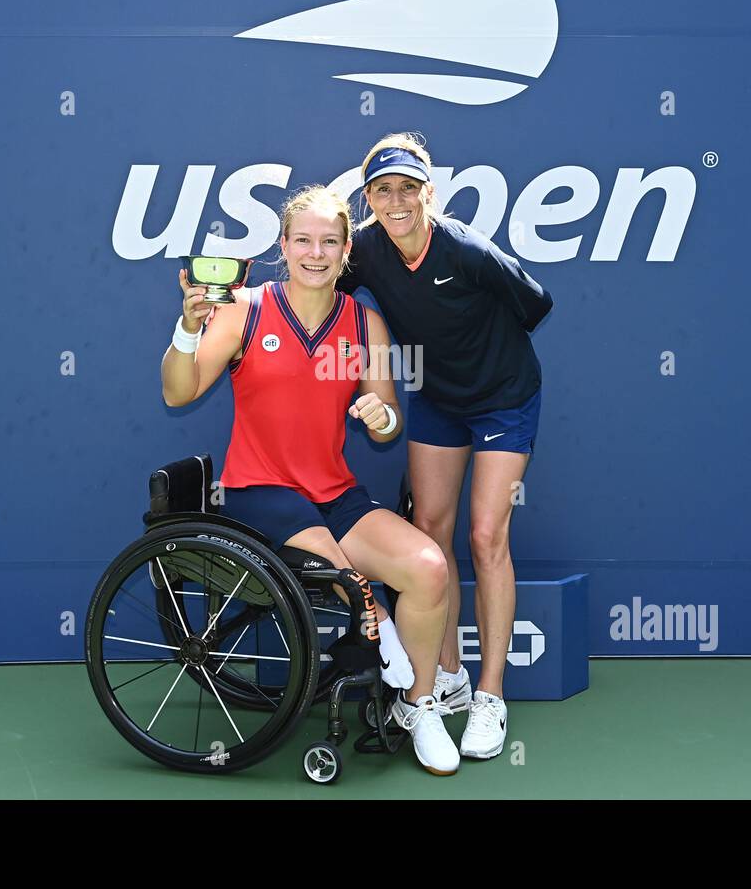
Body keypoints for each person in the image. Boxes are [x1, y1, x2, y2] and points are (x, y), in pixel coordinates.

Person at [161, 185, 460, 775]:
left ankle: (418, 704)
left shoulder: (362, 322)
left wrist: (383, 415)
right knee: (347, 575)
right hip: (258, 491)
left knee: (428, 568)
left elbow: (384, 420)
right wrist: (187, 329)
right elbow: (179, 390)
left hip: (334, 494)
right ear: (284, 245)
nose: (315, 253)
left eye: (329, 242)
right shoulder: (244, 309)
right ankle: (382, 635)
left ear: (347, 250)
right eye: (303, 240)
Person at [337, 134, 553, 760]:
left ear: (430, 192)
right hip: (435, 399)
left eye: (409, 188)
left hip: (504, 398)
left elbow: (536, 304)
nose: (397, 201)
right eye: (383, 190)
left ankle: (490, 696)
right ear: (369, 198)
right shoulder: (367, 251)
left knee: (487, 536)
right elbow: (313, 274)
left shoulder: (468, 249)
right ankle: (451, 676)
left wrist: (479, 350)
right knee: (430, 533)